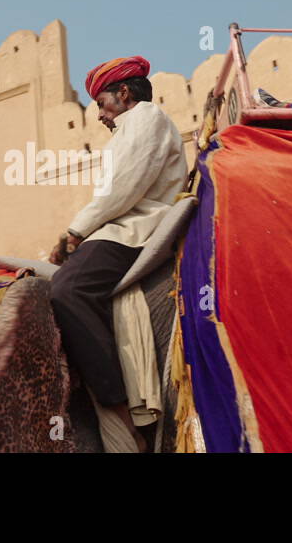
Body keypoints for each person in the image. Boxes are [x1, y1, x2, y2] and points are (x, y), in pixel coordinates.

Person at [48, 55, 187, 453]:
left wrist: (76, 231)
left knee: (67, 291)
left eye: (101, 104)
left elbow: (122, 189)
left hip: (134, 232)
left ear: (123, 93)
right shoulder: (130, 127)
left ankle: (120, 409)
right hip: (119, 228)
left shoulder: (146, 117)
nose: (99, 116)